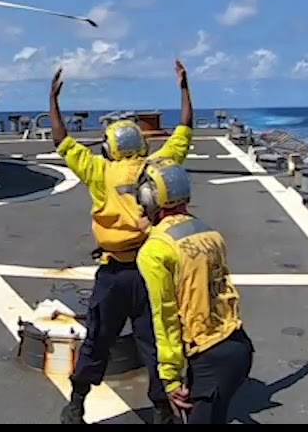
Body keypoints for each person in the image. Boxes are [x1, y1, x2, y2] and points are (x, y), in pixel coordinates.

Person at [49, 59, 195, 425]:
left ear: (110, 146)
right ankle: (164, 410)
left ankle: (76, 403)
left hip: (114, 274)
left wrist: (52, 100)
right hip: (152, 268)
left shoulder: (99, 170)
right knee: (158, 341)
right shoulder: (157, 164)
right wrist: (183, 87)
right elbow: (185, 128)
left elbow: (60, 140)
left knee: (98, 338)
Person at [135, 156, 255, 424]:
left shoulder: (155, 251)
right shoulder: (210, 233)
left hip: (209, 358)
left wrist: (169, 376)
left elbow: (165, 316)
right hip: (237, 347)